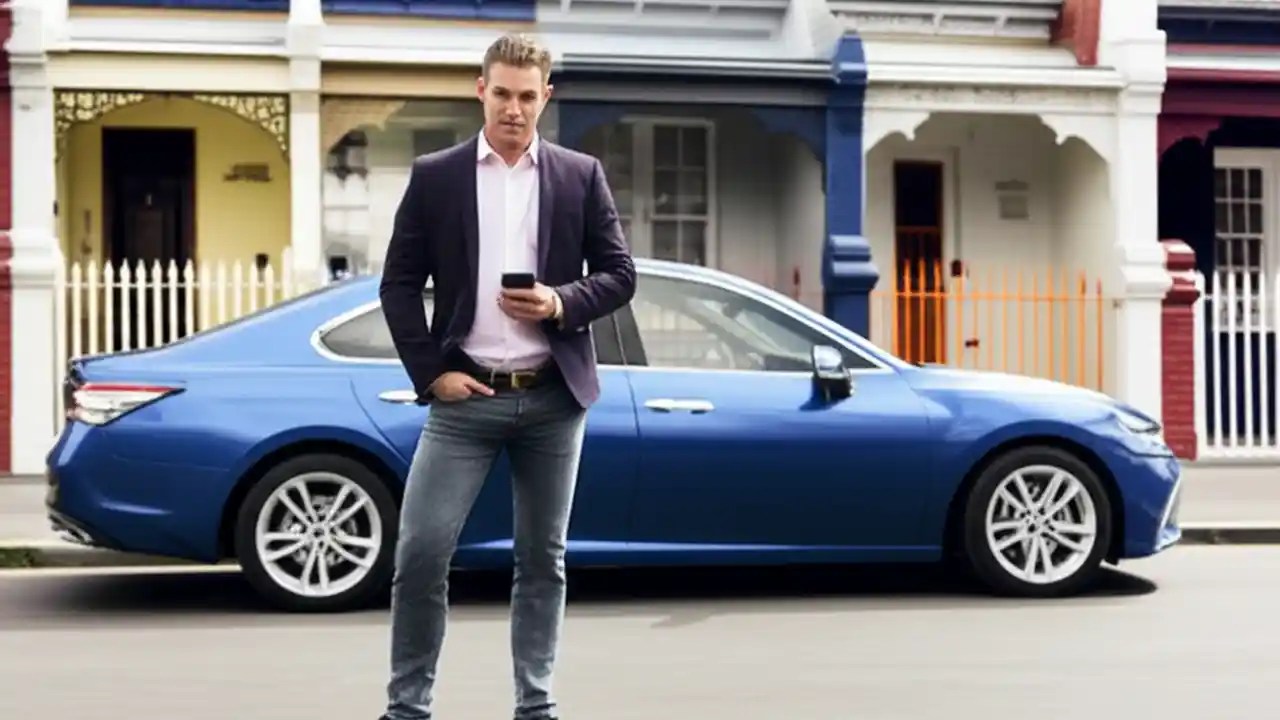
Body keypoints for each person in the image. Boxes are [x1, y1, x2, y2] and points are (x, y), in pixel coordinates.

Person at [375, 32, 636, 720]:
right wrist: (431, 374)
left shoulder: (580, 176)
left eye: (527, 96)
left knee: (542, 562)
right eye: (502, 93)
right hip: (466, 397)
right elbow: (399, 285)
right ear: (480, 90)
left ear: (545, 97)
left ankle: (535, 705)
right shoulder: (437, 175)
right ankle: (407, 708)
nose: (514, 109)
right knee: (422, 555)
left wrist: (559, 300)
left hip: (554, 398)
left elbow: (619, 275)